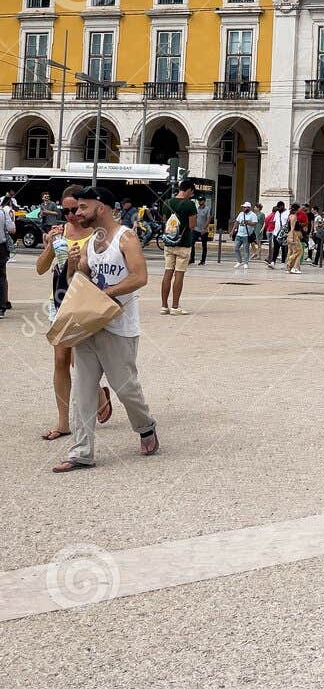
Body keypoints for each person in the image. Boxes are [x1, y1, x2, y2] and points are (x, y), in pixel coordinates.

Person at [51, 185, 159, 472]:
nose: (77, 213)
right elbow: (82, 277)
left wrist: (109, 293)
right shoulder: (90, 242)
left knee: (126, 389)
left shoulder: (126, 237)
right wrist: (73, 268)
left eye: (83, 207)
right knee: (83, 391)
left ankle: (145, 426)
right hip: (89, 324)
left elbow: (140, 276)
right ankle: (81, 452)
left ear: (100, 207)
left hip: (119, 326)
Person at [35, 184, 113, 439]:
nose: (70, 215)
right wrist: (51, 244)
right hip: (58, 303)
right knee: (61, 360)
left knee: (80, 362)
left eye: (74, 209)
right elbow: (40, 268)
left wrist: (77, 260)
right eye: (64, 210)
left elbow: (97, 272)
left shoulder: (95, 234)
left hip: (83, 304)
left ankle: (99, 392)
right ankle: (63, 422)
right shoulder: (58, 232)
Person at [160, 178, 198, 314]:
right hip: (184, 243)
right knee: (179, 274)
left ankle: (164, 306)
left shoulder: (167, 202)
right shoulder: (190, 205)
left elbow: (166, 222)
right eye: (191, 192)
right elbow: (192, 226)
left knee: (167, 273)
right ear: (188, 190)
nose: (191, 195)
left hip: (169, 242)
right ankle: (175, 307)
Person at [231, 201, 257, 270]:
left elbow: (254, 224)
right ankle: (239, 261)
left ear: (248, 208)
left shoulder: (253, 215)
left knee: (246, 250)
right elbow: (237, 222)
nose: (243, 208)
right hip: (239, 234)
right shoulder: (241, 214)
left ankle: (246, 263)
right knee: (236, 248)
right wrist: (232, 231)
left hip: (246, 235)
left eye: (245, 207)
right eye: (243, 207)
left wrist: (248, 223)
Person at [0, 197, 14, 314]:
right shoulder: (4, 212)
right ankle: (2, 304)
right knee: (1, 276)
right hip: (1, 247)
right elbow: (12, 229)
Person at [287, 202, 309, 274]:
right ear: (297, 209)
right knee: (299, 251)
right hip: (293, 234)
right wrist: (291, 237)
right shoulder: (294, 216)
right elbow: (292, 228)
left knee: (292, 251)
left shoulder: (290, 215)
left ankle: (290, 267)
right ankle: (294, 266)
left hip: (290, 234)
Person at [189, 196, 211, 266]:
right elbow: (194, 217)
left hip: (204, 230)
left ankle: (203, 260)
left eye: (201, 200)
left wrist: (204, 228)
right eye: (199, 200)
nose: (200, 202)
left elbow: (208, 219)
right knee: (191, 243)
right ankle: (192, 259)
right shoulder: (196, 209)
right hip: (196, 229)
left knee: (204, 245)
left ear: (204, 201)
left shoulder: (207, 209)